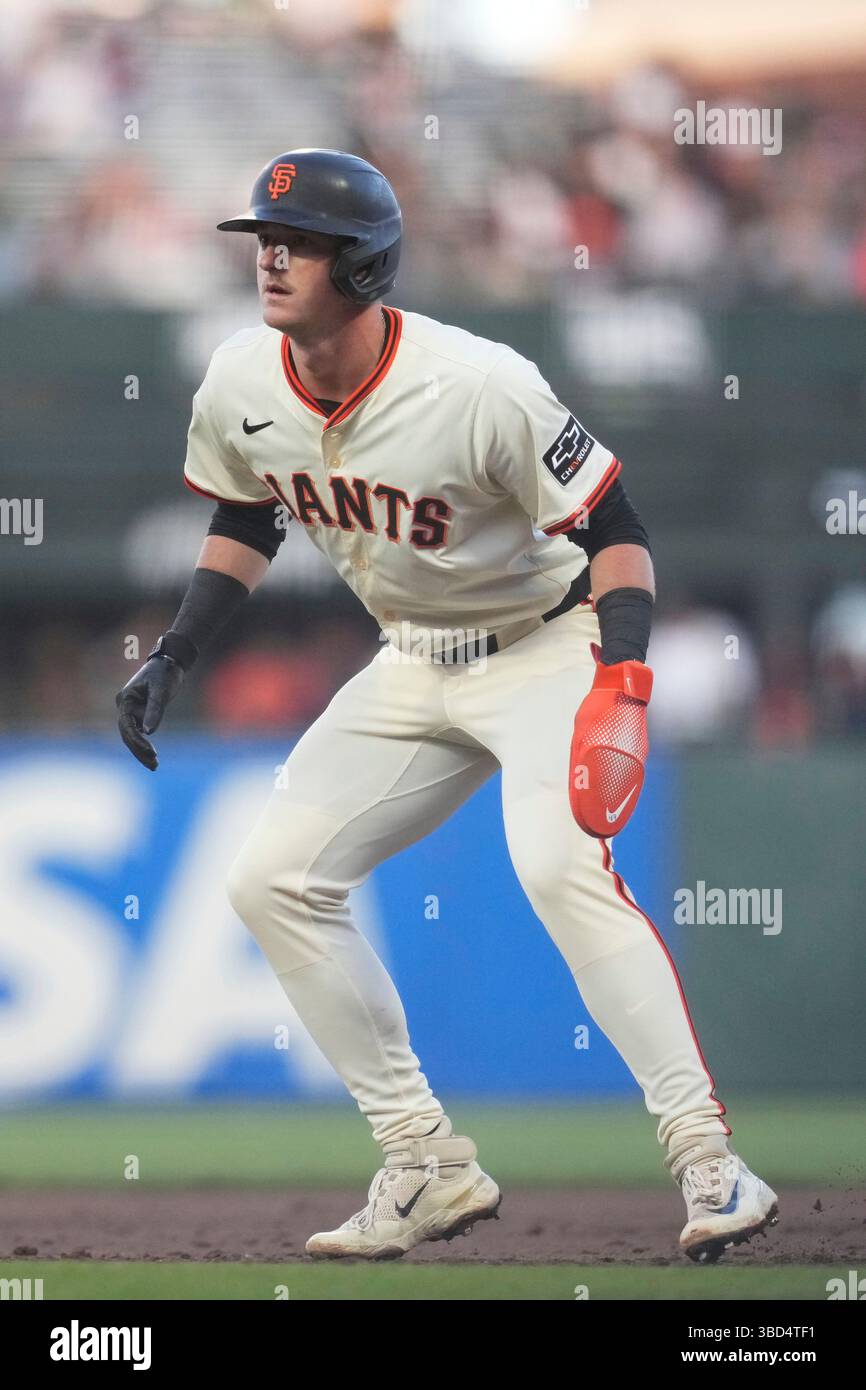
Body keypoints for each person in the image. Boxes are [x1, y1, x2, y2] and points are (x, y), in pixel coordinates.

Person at [116, 149, 777, 1264]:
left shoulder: (480, 383)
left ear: (364, 263)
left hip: (543, 642)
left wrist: (620, 677)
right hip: (412, 656)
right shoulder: (239, 376)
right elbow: (249, 517)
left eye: (303, 240)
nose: (271, 255)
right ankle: (424, 1160)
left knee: (559, 869)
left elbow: (617, 533)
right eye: (264, 237)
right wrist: (175, 654)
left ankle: (709, 1160)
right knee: (269, 877)